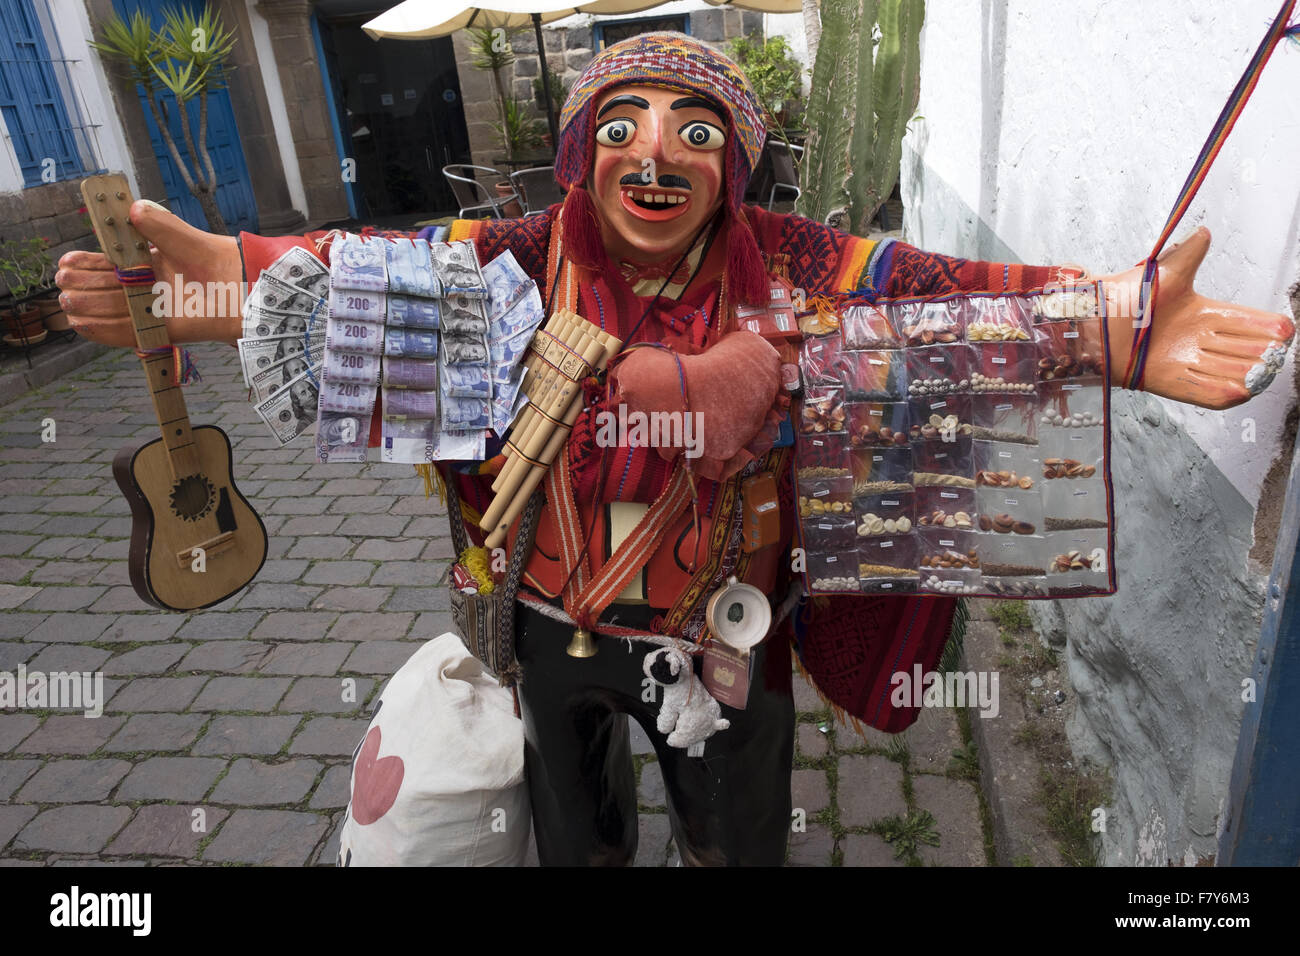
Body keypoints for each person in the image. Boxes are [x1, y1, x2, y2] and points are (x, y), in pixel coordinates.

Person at [56, 33, 1293, 866]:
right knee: (576, 831)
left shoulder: (805, 264)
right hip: (540, 619)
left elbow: (950, 299)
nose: (655, 153)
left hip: (719, 631)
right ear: (584, 151)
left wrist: (1114, 327)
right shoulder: (513, 257)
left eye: (696, 132)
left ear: (735, 168)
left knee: (736, 835)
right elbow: (360, 285)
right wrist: (222, 285)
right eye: (625, 126)